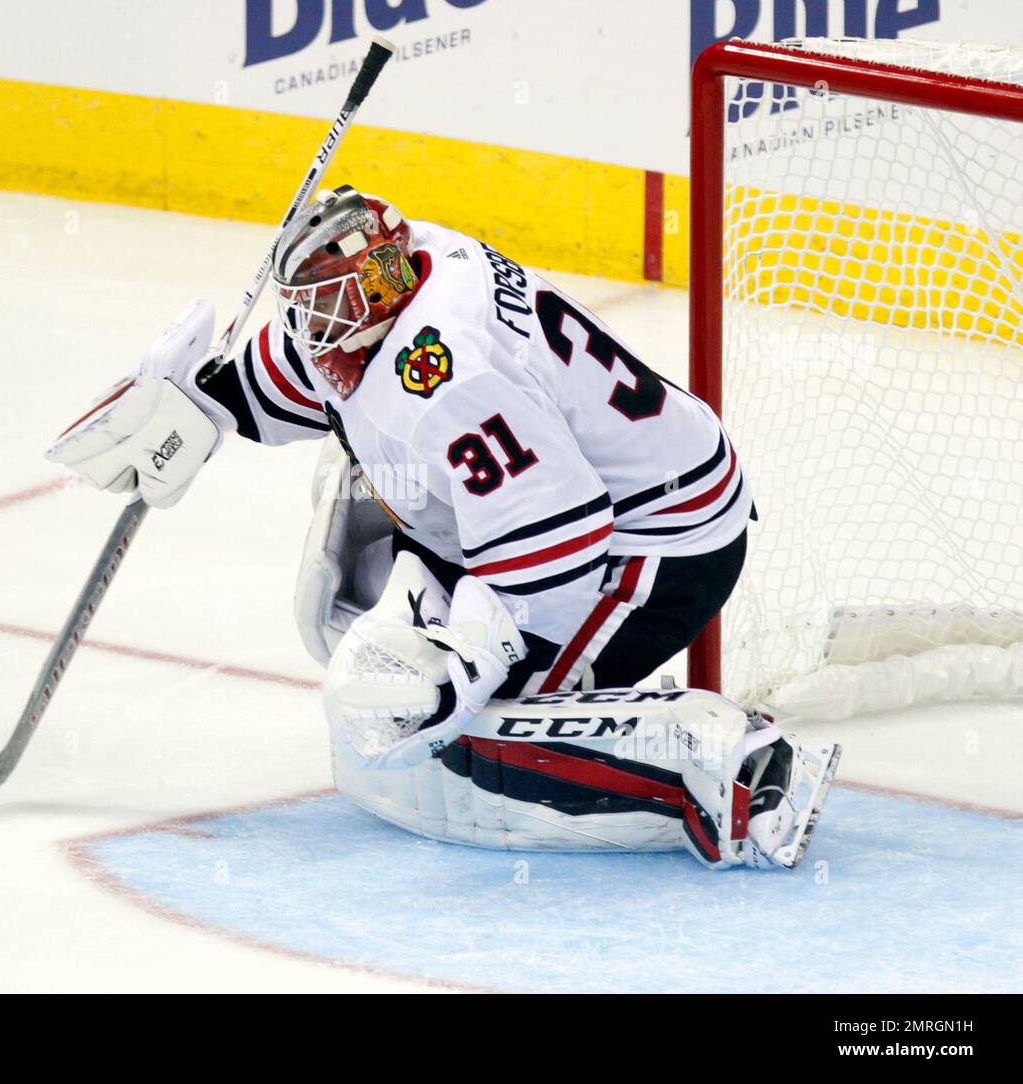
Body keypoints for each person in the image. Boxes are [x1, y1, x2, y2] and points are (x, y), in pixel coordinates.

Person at [45, 186, 840, 869]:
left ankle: (726, 767)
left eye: (331, 306)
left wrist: (480, 665)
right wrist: (195, 407)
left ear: (385, 285)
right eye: (308, 305)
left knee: (471, 739)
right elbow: (297, 375)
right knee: (371, 631)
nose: (314, 328)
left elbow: (557, 534)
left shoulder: (447, 371)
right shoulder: (404, 275)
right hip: (566, 504)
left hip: (656, 543)